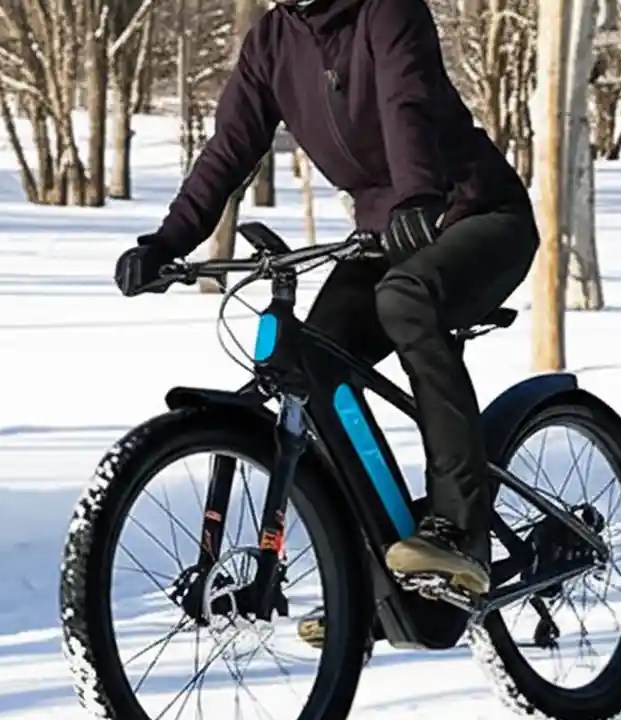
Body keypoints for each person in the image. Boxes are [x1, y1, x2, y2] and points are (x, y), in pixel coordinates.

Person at [114, 0, 538, 598]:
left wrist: (418, 196)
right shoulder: (272, 42)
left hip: (475, 214)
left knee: (407, 299)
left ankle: (461, 531)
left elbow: (407, 103)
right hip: (387, 233)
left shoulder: (386, 11)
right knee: (317, 364)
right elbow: (228, 149)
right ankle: (365, 583)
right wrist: (167, 243)